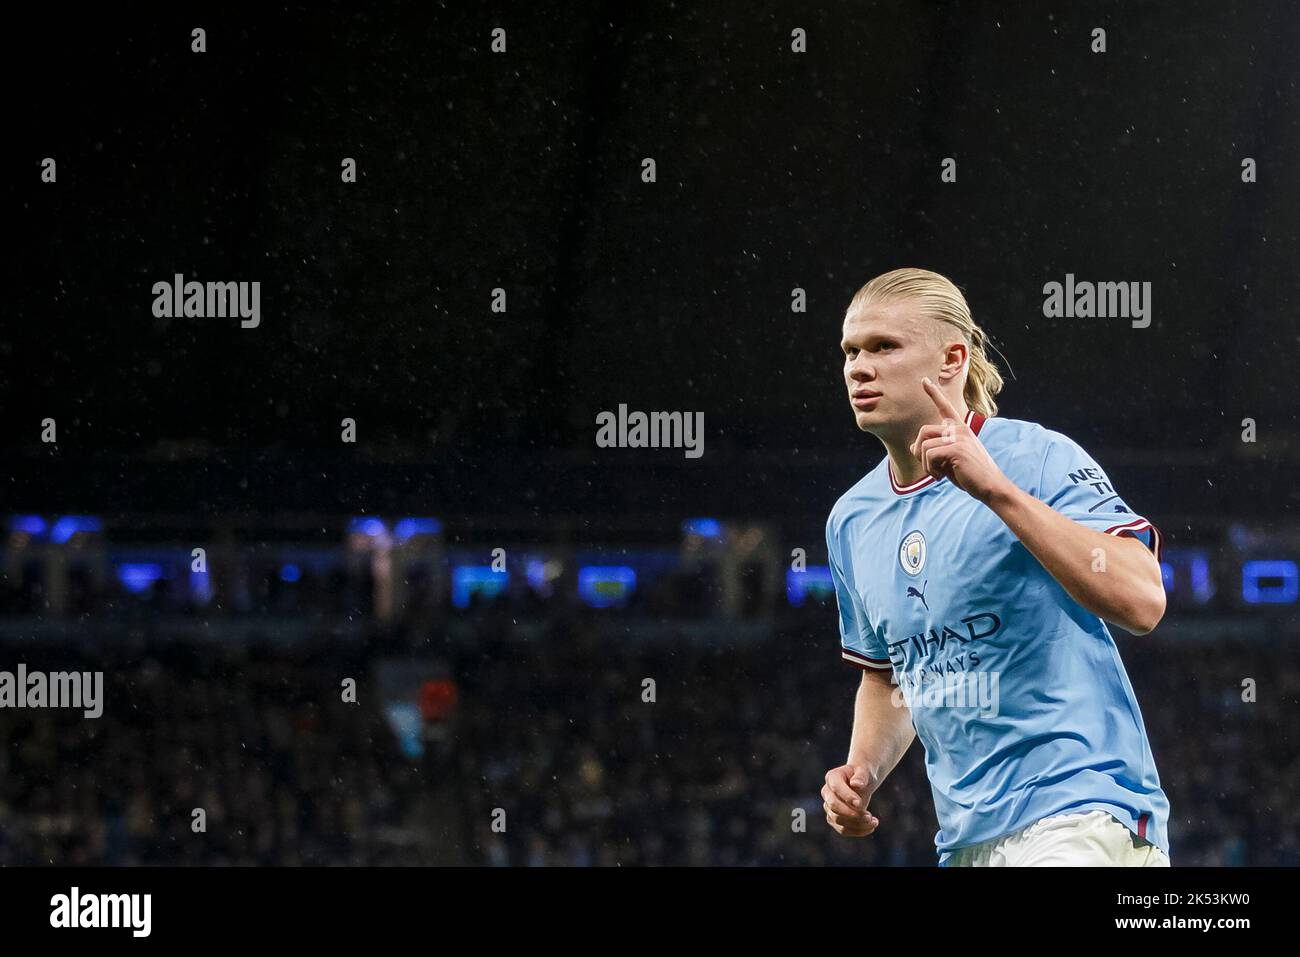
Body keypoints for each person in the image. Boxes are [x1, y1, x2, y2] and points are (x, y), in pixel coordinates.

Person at [821, 267, 1171, 866]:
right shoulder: (851, 519)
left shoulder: (1035, 457)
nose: (858, 366)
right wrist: (860, 772)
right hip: (965, 839)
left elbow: (1143, 600)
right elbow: (889, 675)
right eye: (851, 350)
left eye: (884, 347)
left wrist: (997, 492)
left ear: (952, 359)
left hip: (1083, 810)